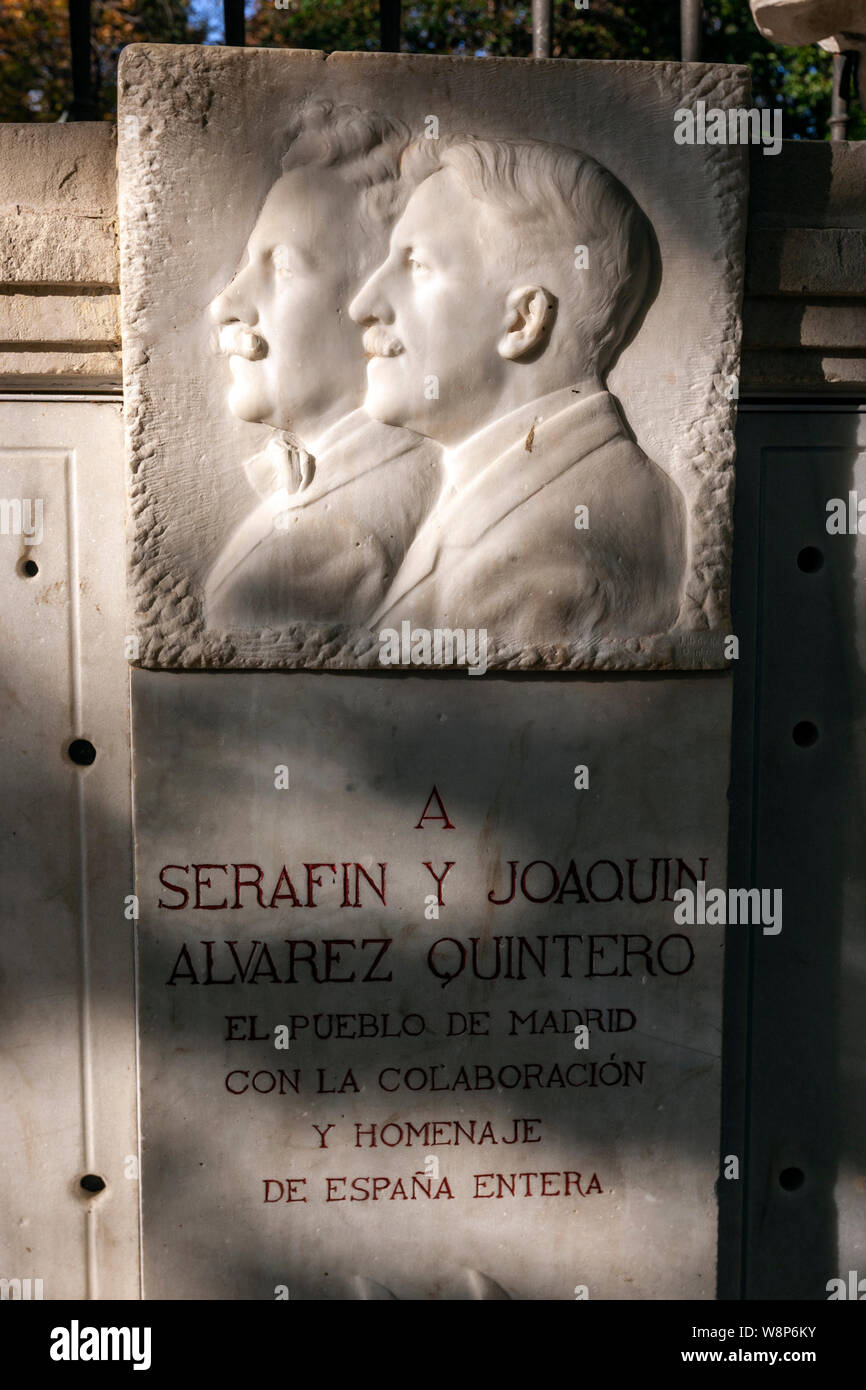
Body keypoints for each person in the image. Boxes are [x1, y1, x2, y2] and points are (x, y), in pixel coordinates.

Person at [349, 133, 686, 650]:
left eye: (416, 266)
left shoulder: (538, 570)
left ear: (523, 320)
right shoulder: (536, 488)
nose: (363, 304)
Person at [205, 99, 441, 629]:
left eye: (282, 265)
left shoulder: (335, 547)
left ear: (380, 304)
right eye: (248, 264)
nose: (226, 306)